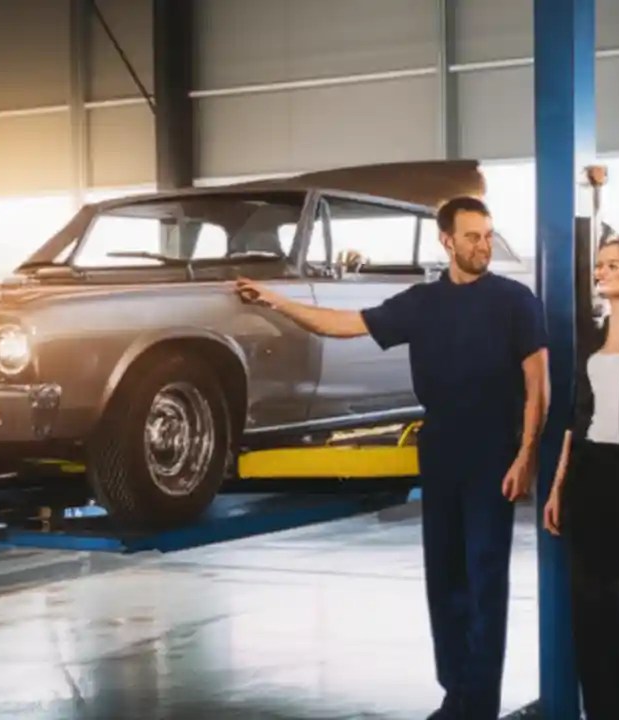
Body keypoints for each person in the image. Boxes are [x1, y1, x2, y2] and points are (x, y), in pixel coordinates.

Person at [234, 196, 549, 720]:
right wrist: (276, 302)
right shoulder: (421, 303)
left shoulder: (515, 301)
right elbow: (341, 324)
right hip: (440, 447)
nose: (483, 246)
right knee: (443, 580)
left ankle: (479, 707)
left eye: (488, 235)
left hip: (493, 449)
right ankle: (456, 696)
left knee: (485, 579)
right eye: (472, 237)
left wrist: (526, 455)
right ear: (446, 241)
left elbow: (538, 383)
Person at [543, 235, 619, 718]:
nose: (603, 273)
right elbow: (576, 418)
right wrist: (557, 487)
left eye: (614, 264)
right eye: (599, 266)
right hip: (586, 473)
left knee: (609, 593)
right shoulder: (592, 338)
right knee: (583, 602)